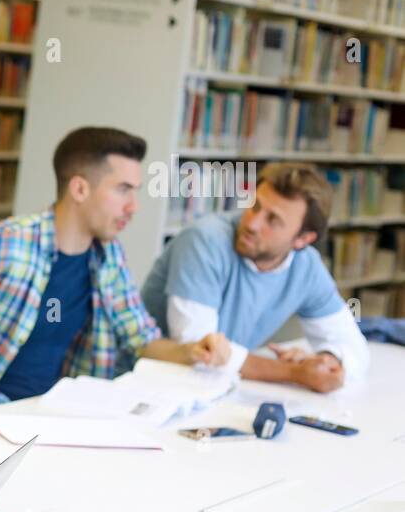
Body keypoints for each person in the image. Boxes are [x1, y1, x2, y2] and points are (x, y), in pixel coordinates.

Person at [0, 127, 225, 416]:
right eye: (123, 189)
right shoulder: (2, 243)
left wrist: (190, 352)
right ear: (79, 189)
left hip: (50, 412)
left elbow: (142, 340)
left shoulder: (108, 257)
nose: (133, 206)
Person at [141, 162, 368, 393]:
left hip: (213, 392)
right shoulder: (204, 241)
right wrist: (294, 373)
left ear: (302, 239)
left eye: (273, 220)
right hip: (149, 386)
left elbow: (354, 347)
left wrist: (326, 361)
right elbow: (202, 352)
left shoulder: (306, 266)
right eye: (254, 205)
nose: (252, 223)